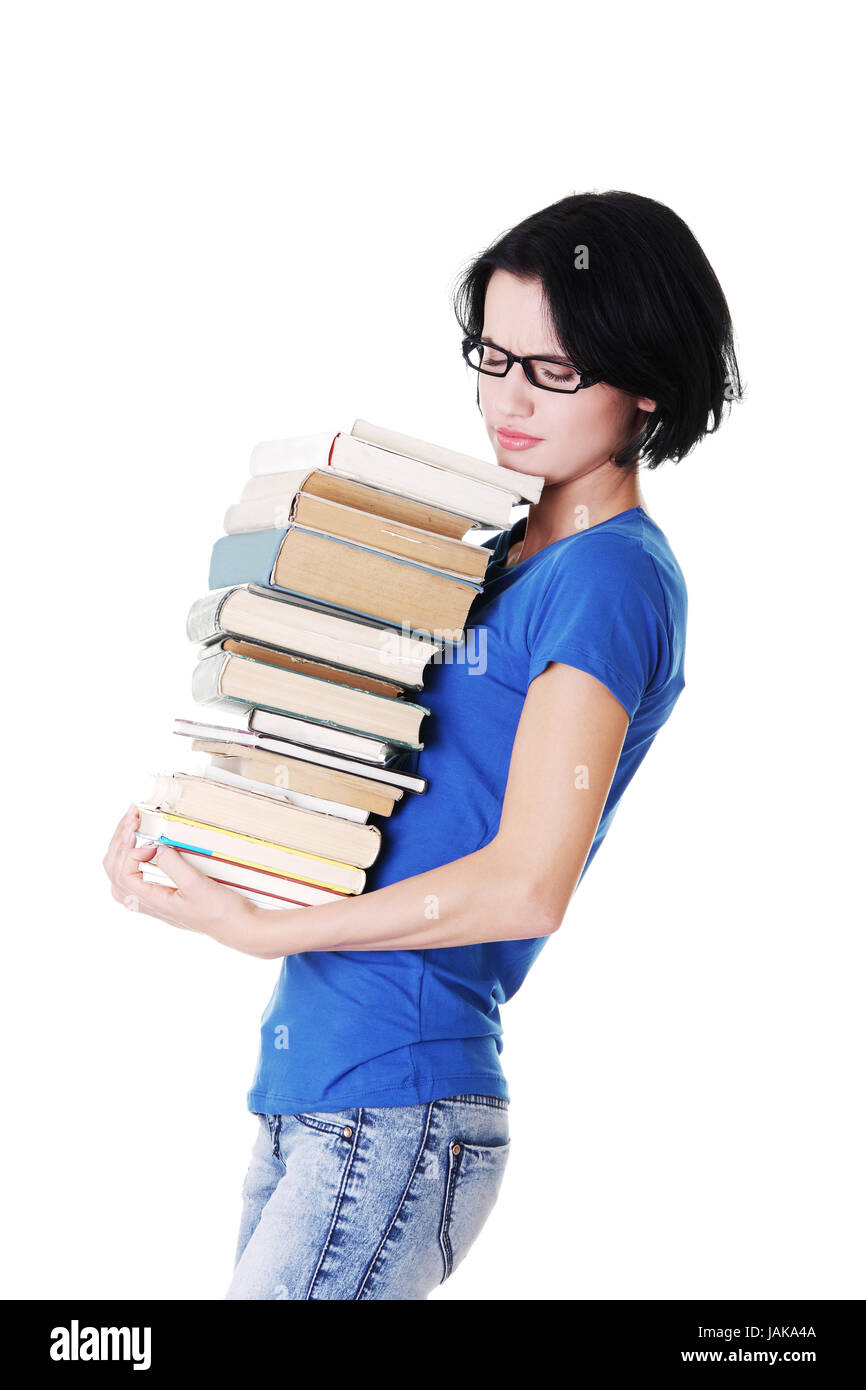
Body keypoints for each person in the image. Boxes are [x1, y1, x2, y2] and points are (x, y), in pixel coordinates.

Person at [103, 190, 742, 1299]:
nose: (508, 398)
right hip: (323, 1080)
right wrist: (212, 859)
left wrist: (265, 930)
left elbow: (527, 884)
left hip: (394, 1097)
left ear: (646, 380)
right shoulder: (494, 550)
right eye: (492, 356)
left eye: (555, 369)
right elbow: (397, 792)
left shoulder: (610, 577)